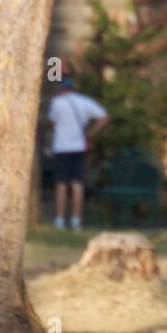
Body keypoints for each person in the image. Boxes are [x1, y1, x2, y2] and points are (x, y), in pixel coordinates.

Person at [47, 77, 109, 230]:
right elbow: (103, 117)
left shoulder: (57, 102)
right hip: (79, 146)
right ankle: (76, 219)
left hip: (61, 147)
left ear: (62, 89)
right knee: (77, 183)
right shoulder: (84, 101)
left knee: (61, 184)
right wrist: (90, 133)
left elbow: (52, 121)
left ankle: (60, 219)